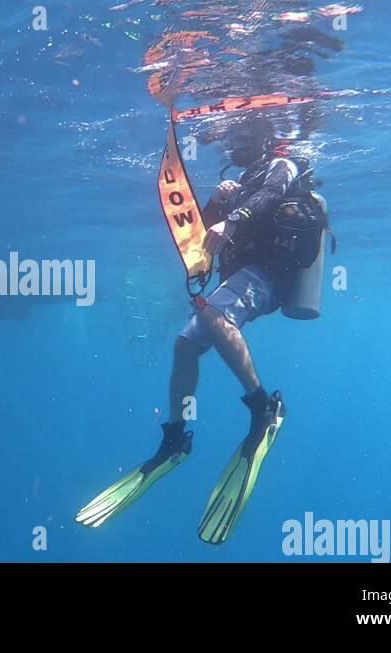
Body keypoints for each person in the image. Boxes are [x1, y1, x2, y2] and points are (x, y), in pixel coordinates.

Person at [76, 133, 330, 543]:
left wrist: (235, 216)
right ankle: (176, 436)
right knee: (185, 346)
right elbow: (203, 239)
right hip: (241, 276)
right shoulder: (245, 182)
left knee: (212, 318)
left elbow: (268, 197)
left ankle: (264, 408)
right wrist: (218, 202)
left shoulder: (281, 167)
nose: (232, 149)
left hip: (268, 276)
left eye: (239, 139)